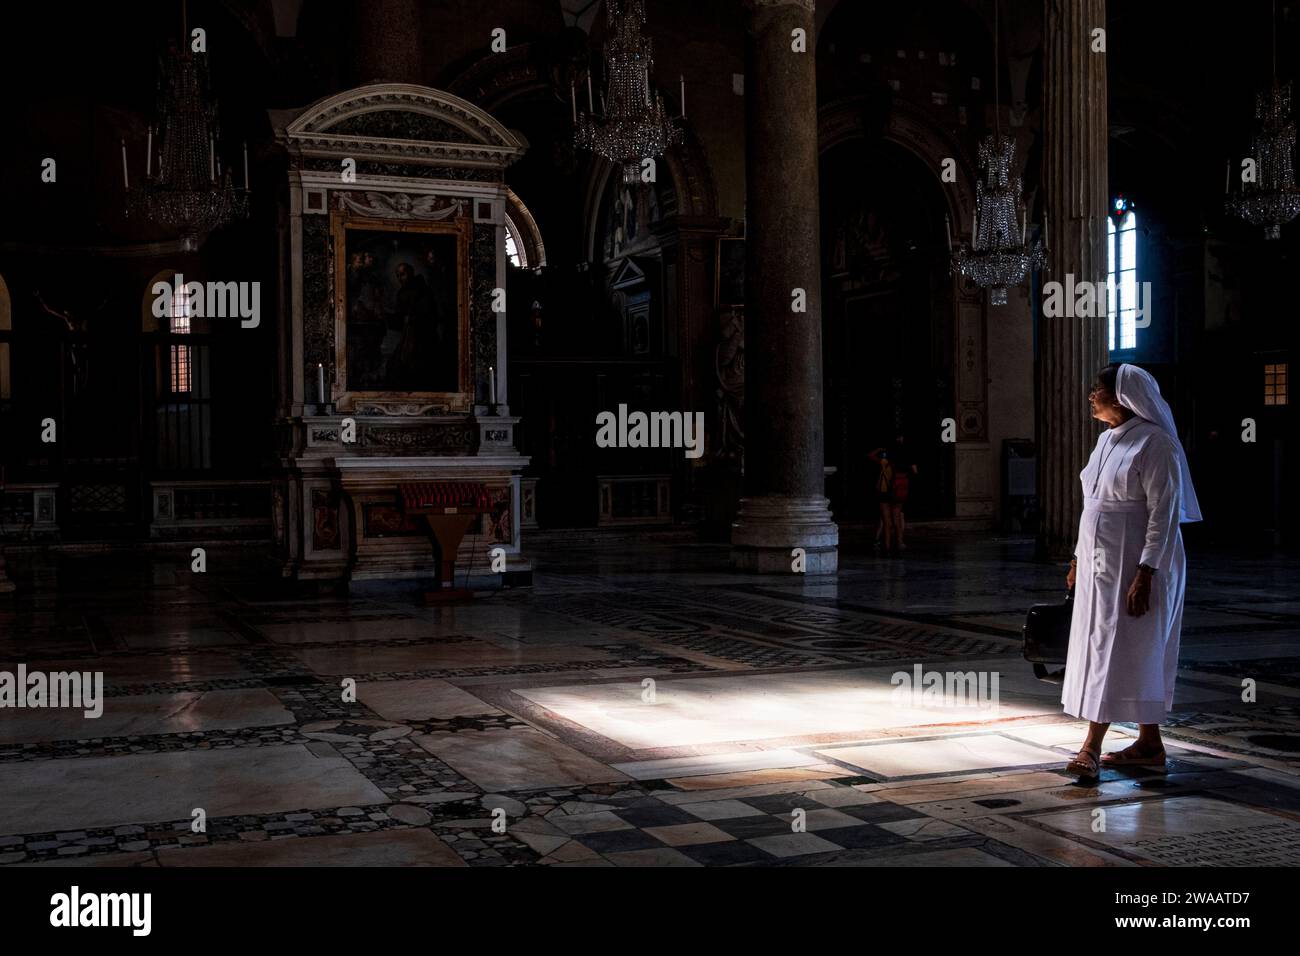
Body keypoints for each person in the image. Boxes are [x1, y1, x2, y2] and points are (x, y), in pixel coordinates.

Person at [1062, 363, 1202, 779]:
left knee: (1119, 644)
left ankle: (1090, 747)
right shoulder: (1105, 441)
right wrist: (1075, 558)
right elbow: (1093, 506)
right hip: (1099, 563)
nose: (1091, 394)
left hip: (1137, 564)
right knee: (1118, 645)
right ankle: (1149, 743)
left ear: (1123, 396)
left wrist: (1147, 571)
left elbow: (1164, 512)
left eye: (1097, 388)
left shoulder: (1156, 443)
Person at [869, 433, 916, 553]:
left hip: (885, 491)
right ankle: (899, 543)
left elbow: (871, 456)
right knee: (897, 519)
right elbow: (915, 471)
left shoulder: (885, 458)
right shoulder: (907, 455)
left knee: (886, 521)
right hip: (899, 489)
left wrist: (879, 449)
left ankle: (887, 545)